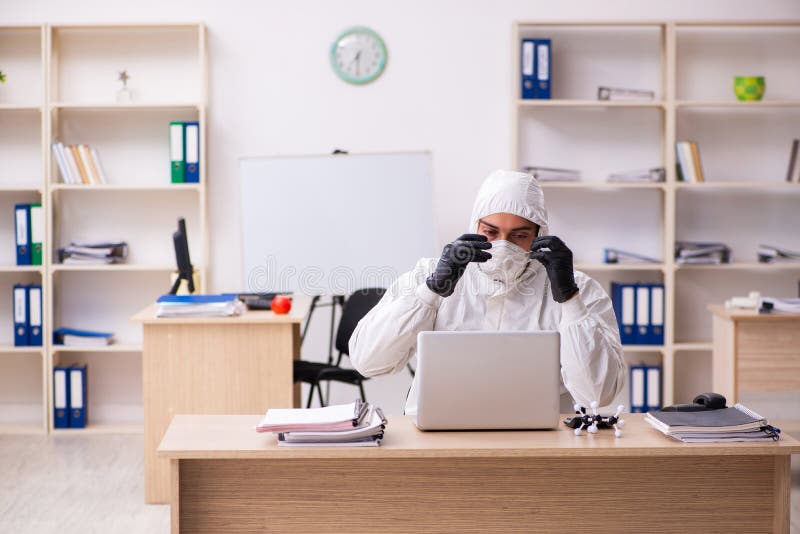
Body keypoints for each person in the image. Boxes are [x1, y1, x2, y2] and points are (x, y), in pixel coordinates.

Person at [349, 170, 625, 414]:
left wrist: (569, 299)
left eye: (519, 235)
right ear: (475, 227)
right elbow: (369, 361)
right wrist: (430, 291)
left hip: (541, 444)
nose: (503, 245)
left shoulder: (579, 288)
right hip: (438, 440)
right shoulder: (429, 274)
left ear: (540, 234)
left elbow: (598, 395)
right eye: (490, 232)